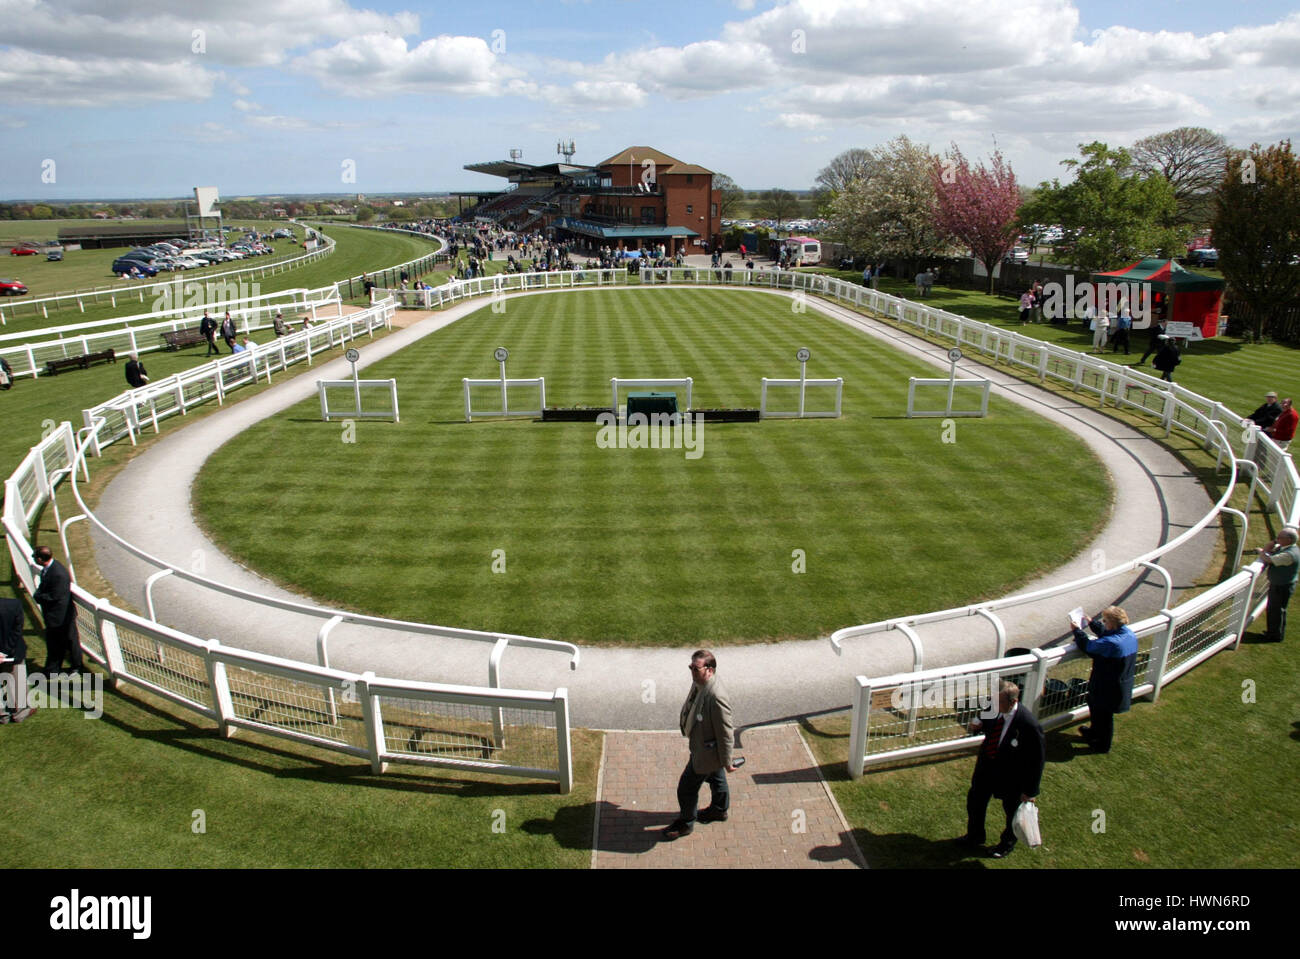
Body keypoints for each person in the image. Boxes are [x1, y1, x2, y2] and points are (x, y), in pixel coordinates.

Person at [957, 679, 1045, 859]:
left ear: (1013, 702)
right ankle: (975, 835)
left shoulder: (1028, 725)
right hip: (986, 766)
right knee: (975, 801)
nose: (994, 705)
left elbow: (1037, 760)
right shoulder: (995, 706)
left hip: (1010, 776)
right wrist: (977, 725)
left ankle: (1007, 844)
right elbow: (984, 721)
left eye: (999, 702)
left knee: (1011, 811)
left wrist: (1030, 791)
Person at [664, 649, 736, 840]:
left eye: (696, 668)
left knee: (686, 789)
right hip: (705, 749)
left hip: (705, 753)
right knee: (716, 777)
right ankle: (719, 810)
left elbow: (726, 732)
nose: (692, 671)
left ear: (709, 670)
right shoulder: (700, 682)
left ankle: (686, 823)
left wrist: (727, 761)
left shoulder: (716, 697)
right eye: (691, 667)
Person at [1072, 605, 1139, 753]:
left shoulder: (1112, 643)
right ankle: (1094, 734)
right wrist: (1092, 623)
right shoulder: (1128, 634)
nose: (1103, 623)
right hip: (1119, 683)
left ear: (1112, 623)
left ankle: (1102, 745)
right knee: (1099, 712)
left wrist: (1076, 631)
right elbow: (1106, 634)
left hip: (1107, 687)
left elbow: (1088, 646)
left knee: (1103, 715)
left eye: (1105, 620)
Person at [32, 545, 81, 675]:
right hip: (57, 615)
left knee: (69, 642)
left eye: (34, 557)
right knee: (58, 643)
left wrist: (38, 596)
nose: (33, 559)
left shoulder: (58, 573)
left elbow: (55, 596)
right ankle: (53, 669)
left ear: (41, 559)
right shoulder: (49, 569)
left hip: (61, 616)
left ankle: (74, 666)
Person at [1257, 528, 1299, 642]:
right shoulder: (1284, 548)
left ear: (1289, 540)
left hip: (1283, 586)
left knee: (1276, 610)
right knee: (1273, 609)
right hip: (1281, 584)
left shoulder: (1289, 554)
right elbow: (1268, 551)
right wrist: (1274, 542)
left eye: (1280, 537)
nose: (1277, 539)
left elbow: (1268, 559)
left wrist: (1260, 552)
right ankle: (1273, 633)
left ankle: (1275, 635)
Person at [0, 596, 34, 723]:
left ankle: (3, 715)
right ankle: (20, 713)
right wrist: (3, 652)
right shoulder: (14, 605)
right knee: (18, 681)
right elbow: (17, 630)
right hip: (13, 652)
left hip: (10, 652)